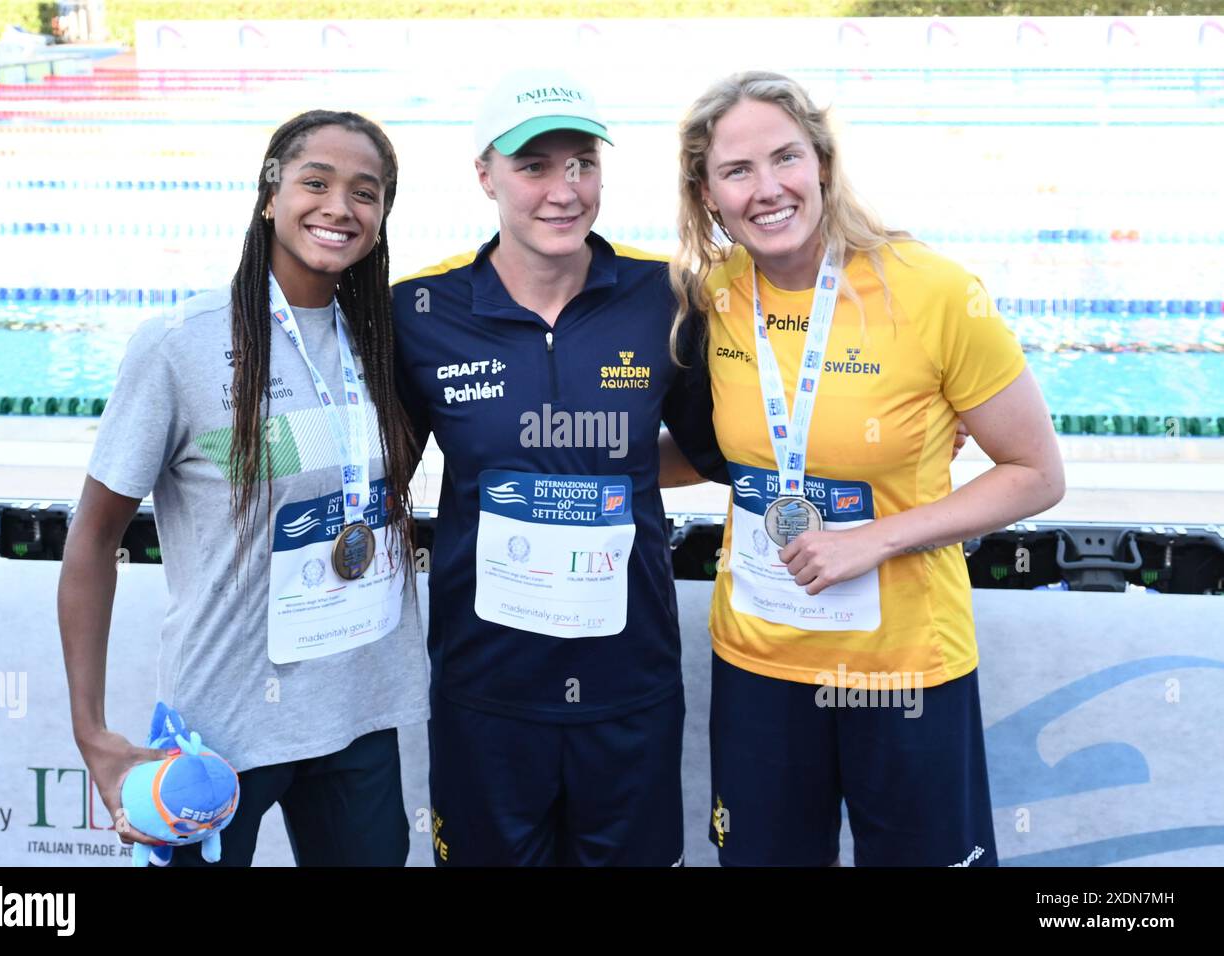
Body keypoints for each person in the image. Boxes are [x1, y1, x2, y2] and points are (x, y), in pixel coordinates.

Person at [667, 71, 1065, 867]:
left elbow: (1034, 473)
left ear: (821, 161)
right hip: (760, 661)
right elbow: (722, 457)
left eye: (785, 158)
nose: (768, 188)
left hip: (904, 667)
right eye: (737, 171)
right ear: (707, 195)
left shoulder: (934, 291)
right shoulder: (713, 296)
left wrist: (877, 539)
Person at [58, 110, 429, 867]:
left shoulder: (389, 344)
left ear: (383, 215)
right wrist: (92, 732)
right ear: (270, 196)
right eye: (315, 182)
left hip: (357, 713)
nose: (339, 207)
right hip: (220, 728)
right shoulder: (180, 345)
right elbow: (93, 538)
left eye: (366, 192)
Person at [391, 70, 722, 866]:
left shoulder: (665, 295)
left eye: (582, 163)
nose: (563, 190)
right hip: (486, 686)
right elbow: (379, 472)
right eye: (535, 167)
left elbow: (715, 451)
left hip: (628, 680)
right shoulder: (421, 311)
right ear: (486, 176)